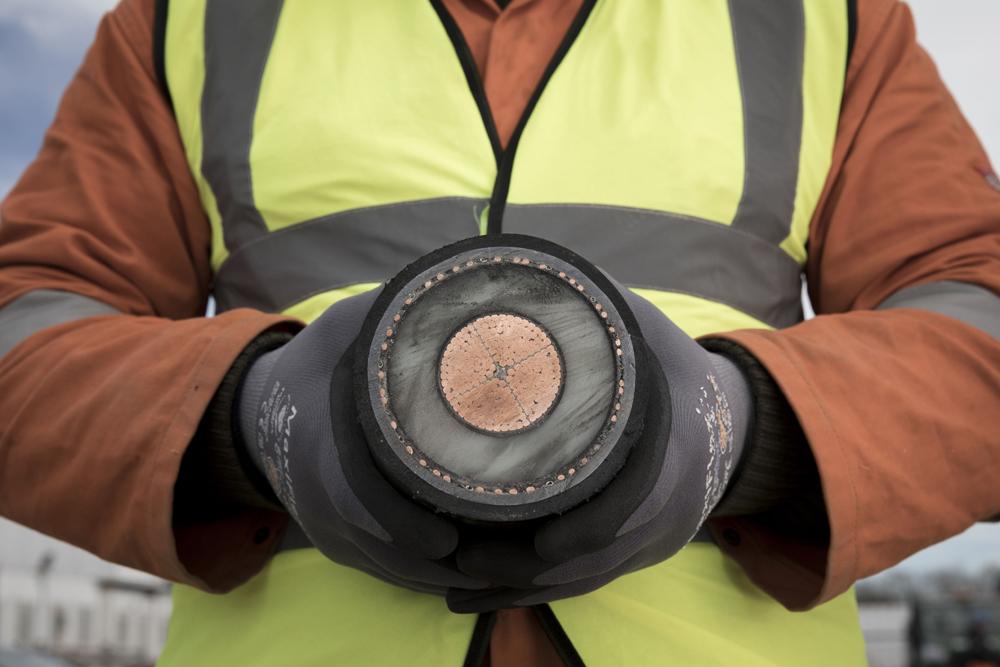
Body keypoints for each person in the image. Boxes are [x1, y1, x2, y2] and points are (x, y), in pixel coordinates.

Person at [0, 0, 997, 664]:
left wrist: (743, 430)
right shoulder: (192, 18)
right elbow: (28, 324)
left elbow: (976, 316)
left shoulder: (822, 17)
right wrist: (247, 419)